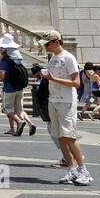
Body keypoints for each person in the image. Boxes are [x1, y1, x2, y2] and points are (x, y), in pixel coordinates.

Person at [39, 30, 91, 186]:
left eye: (47, 44)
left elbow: (76, 83)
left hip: (66, 101)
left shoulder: (69, 58)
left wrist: (53, 78)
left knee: (69, 136)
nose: (45, 47)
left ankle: (84, 170)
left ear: (56, 42)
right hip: (53, 100)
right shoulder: (53, 58)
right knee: (59, 136)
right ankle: (71, 169)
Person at [0, 34, 35, 136]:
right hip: (19, 88)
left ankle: (20, 122)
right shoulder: (17, 60)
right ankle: (18, 128)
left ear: (5, 49)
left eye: (1, 47)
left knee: (7, 108)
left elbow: (2, 76)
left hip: (9, 89)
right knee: (19, 110)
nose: (0, 49)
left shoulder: (5, 61)